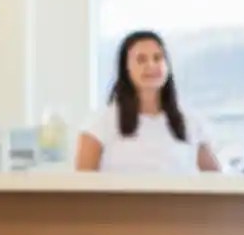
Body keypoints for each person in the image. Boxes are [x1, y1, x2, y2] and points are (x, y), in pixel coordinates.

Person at [76, 30, 222, 174]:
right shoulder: (100, 121)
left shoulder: (190, 121)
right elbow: (82, 187)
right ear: (125, 69)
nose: (151, 65)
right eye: (141, 59)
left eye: (158, 58)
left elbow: (215, 180)